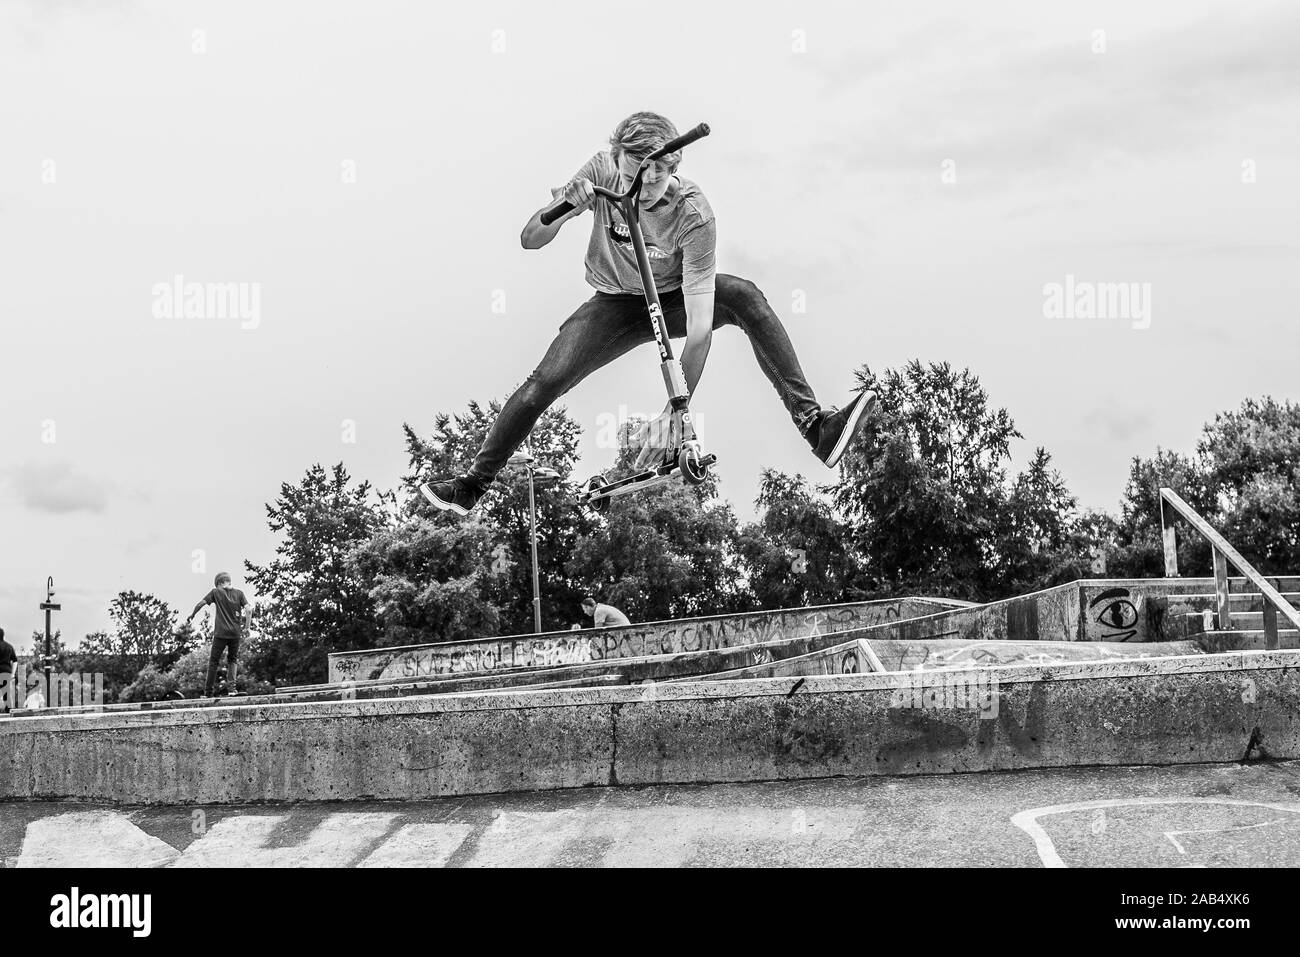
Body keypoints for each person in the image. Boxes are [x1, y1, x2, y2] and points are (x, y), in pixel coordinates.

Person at [421, 111, 876, 516]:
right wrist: (564, 208)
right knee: (544, 381)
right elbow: (530, 239)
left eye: (654, 177)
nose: (640, 189)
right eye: (630, 174)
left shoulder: (693, 214)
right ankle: (472, 485)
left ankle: (817, 428)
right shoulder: (600, 171)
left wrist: (674, 412)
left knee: (744, 295)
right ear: (616, 159)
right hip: (614, 304)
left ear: (669, 168)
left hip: (674, 300)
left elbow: (699, 331)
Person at [185, 572, 251, 697]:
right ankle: (232, 690)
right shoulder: (240, 593)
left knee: (213, 662)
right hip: (235, 634)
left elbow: (201, 604)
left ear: (219, 583)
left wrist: (192, 615)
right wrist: (247, 627)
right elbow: (248, 609)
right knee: (233, 659)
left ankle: (208, 693)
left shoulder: (216, 592)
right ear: (228, 581)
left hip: (220, 633)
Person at [0, 626, 16, 713]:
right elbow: (15, 661)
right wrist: (13, 673)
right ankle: (8, 709)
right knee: (6, 692)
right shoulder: (9, 646)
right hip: (6, 672)